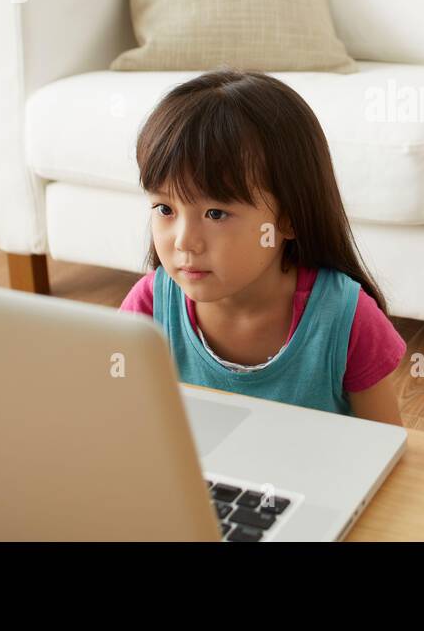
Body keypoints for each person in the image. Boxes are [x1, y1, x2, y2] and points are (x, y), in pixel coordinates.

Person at [119, 69, 406, 425]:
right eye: (165, 209)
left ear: (288, 219)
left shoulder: (347, 319)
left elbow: (386, 449)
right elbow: (121, 424)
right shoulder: (148, 308)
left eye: (216, 213)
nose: (183, 241)